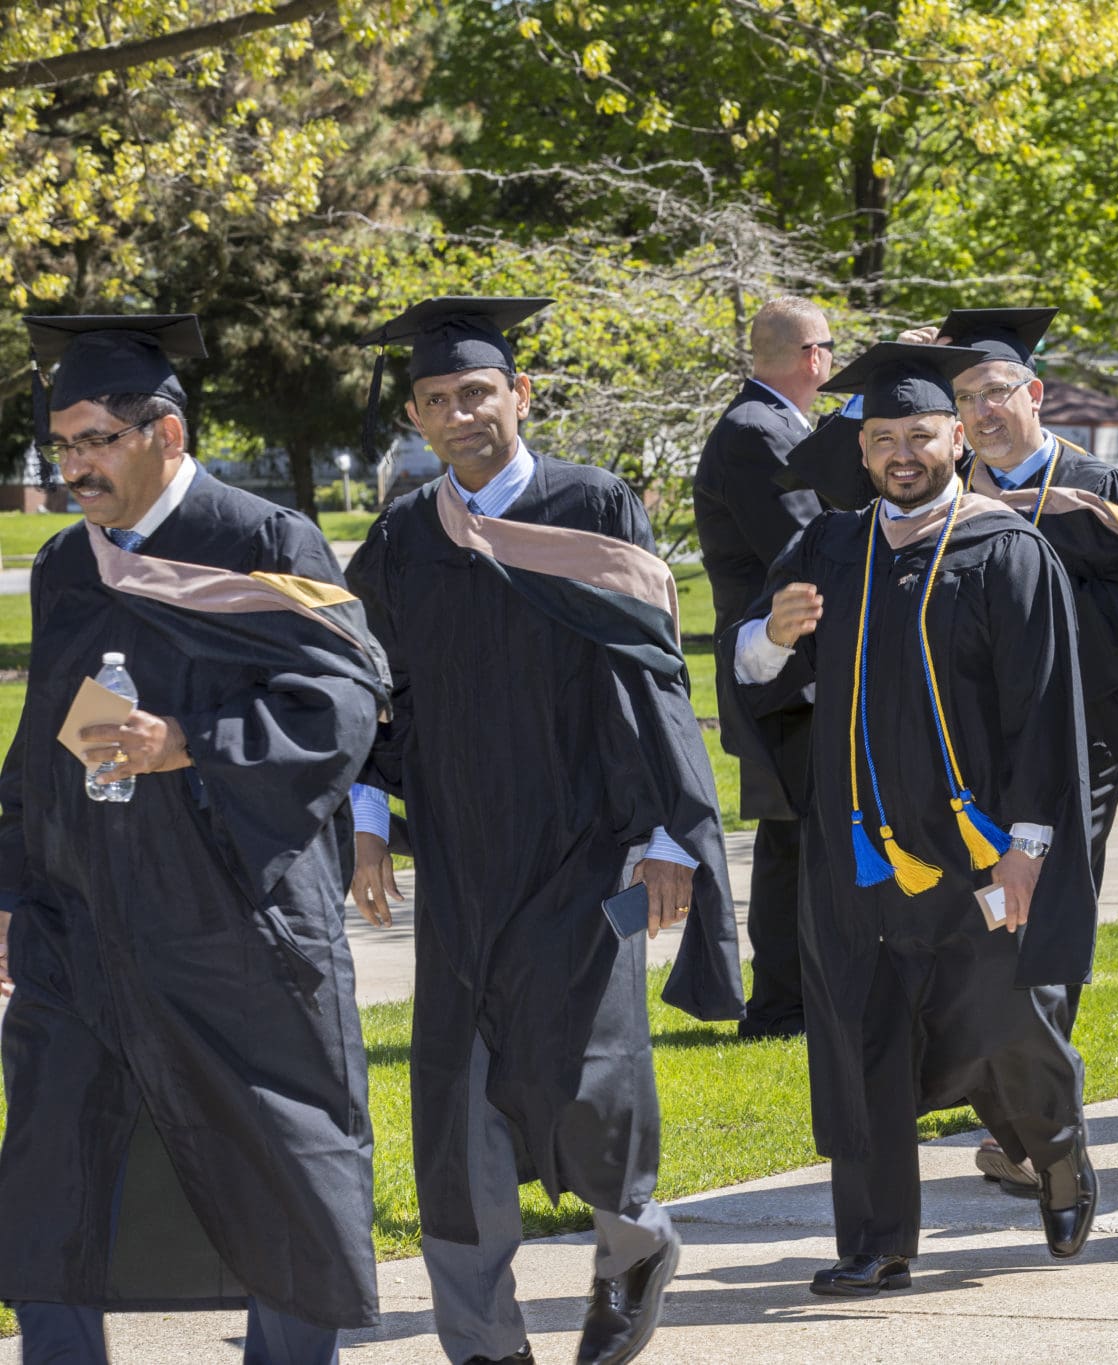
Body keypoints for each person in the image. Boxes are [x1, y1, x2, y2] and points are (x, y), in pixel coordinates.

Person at [347, 297, 743, 1365]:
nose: (458, 413)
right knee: (455, 1094)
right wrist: (368, 817)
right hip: (465, 861)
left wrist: (670, 833)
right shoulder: (400, 539)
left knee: (591, 1069)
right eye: (436, 399)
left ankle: (633, 1246)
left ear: (520, 395)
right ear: (418, 416)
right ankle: (482, 1341)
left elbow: (651, 676)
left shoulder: (591, 503)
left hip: (597, 850)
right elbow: (373, 696)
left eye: (476, 391)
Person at [0, 314, 388, 1363]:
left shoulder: (263, 543)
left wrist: (193, 742)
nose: (73, 466)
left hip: (232, 923)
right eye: (63, 444)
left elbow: (343, 708)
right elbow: (46, 741)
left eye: (95, 441)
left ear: (165, 433)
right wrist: (11, 889)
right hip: (82, 923)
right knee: (50, 1180)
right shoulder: (69, 568)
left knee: (281, 1170)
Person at [718, 340, 1100, 1296]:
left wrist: (1029, 848)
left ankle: (1054, 1150)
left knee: (1006, 1020)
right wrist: (766, 637)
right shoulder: (829, 548)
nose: (901, 452)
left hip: (974, 849)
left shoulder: (1006, 551)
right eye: (882, 436)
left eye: (920, 433)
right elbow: (763, 673)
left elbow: (1047, 713)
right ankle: (876, 1241)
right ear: (859, 450)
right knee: (859, 1037)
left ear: (957, 436)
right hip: (855, 847)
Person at [695, 296, 832, 1039]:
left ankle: (791, 998)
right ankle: (782, 1005)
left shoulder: (774, 424)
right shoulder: (758, 431)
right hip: (777, 666)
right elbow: (805, 539)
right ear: (814, 356)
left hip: (790, 664)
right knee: (792, 839)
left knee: (796, 836)